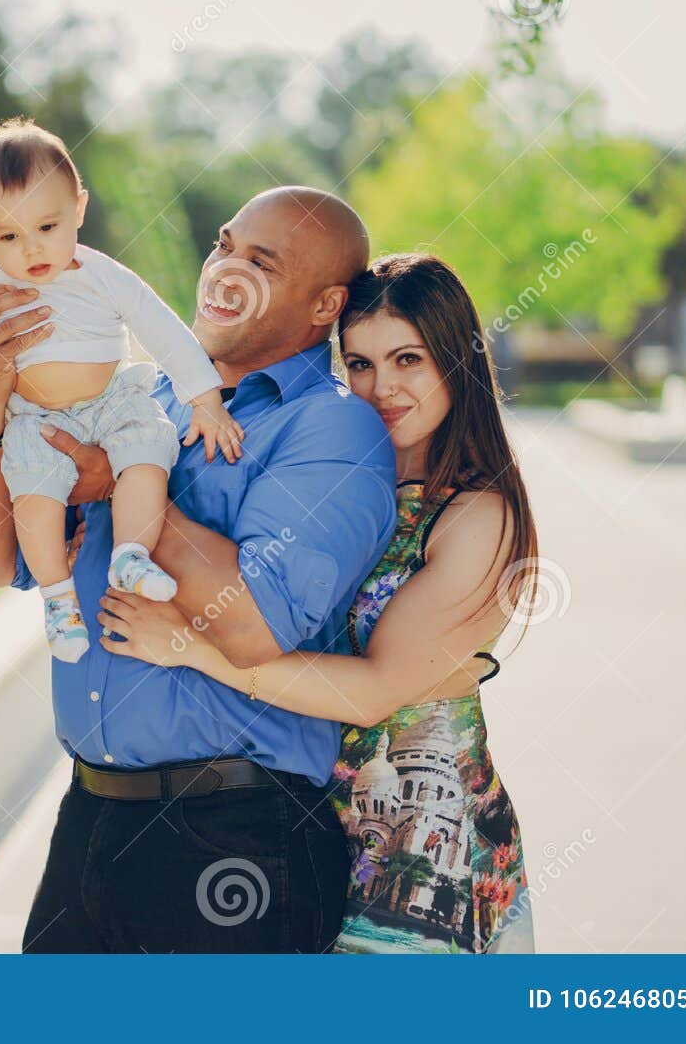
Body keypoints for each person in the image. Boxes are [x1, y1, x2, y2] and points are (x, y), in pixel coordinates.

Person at [0, 186, 396, 952]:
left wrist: (119, 481)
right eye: (224, 245)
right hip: (88, 822)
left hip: (235, 838)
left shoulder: (332, 427)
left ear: (325, 305)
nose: (225, 270)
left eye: (261, 262)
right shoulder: (130, 395)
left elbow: (254, 622)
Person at [99, 253, 536, 954]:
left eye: (408, 360)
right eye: (359, 363)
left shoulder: (478, 517)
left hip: (422, 848)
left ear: (457, 361)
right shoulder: (345, 479)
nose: (381, 387)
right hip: (313, 819)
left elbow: (372, 693)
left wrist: (189, 646)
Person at [0, 117, 242, 663]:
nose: (31, 249)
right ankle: (58, 599)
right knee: (35, 494)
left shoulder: (102, 274)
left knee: (146, 453)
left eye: (47, 226)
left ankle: (131, 553)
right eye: (7, 236)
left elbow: (162, 329)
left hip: (112, 400)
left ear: (78, 208)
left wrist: (206, 400)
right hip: (36, 417)